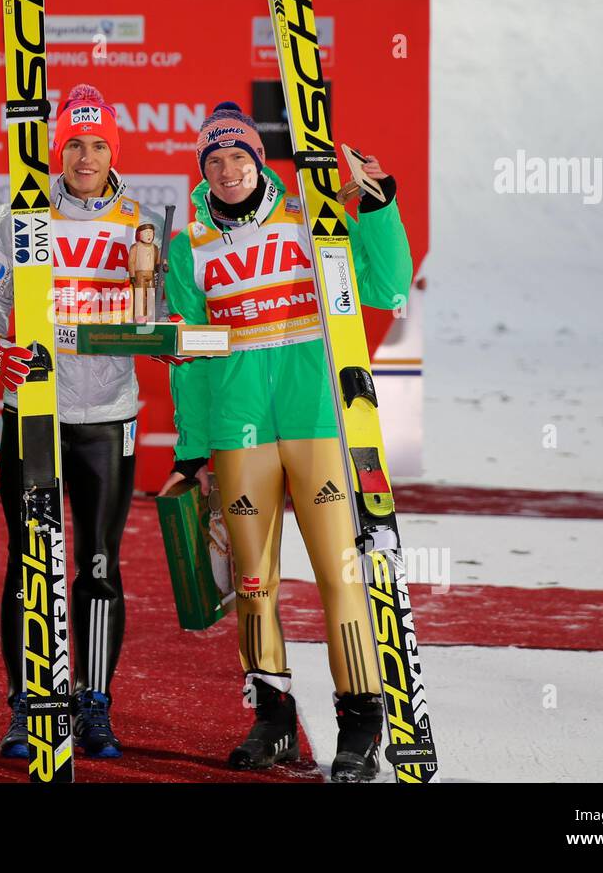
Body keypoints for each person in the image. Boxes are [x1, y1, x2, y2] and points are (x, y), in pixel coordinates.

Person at [158, 102, 412, 781]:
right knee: (252, 582)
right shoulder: (189, 248)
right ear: (203, 171)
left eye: (239, 156)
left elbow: (388, 286)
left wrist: (379, 206)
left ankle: (361, 727)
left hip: (316, 419)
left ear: (258, 160)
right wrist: (191, 448)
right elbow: (187, 354)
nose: (229, 170)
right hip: (239, 427)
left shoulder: (311, 215)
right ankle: (271, 720)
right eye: (215, 160)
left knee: (339, 573)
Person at [0, 83, 169, 759]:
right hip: (33, 412)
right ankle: (29, 703)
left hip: (109, 416)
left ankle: (94, 705)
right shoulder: (20, 216)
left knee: (99, 563)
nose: (87, 156)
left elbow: (153, 321)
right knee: (30, 560)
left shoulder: (143, 221)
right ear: (59, 149)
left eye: (100, 143)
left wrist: (148, 320)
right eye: (76, 143)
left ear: (115, 147)